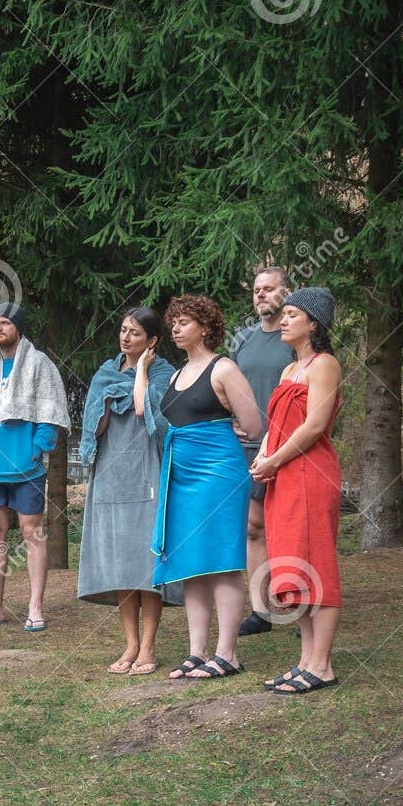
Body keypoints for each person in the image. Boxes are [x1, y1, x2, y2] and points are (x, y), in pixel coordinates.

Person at [152, 295, 264, 681]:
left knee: (222, 560)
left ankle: (227, 653)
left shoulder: (224, 368)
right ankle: (197, 652)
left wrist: (229, 428)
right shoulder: (173, 375)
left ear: (205, 326)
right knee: (191, 564)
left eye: (184, 322)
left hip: (218, 473)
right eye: (174, 322)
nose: (176, 328)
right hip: (180, 476)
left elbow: (254, 425)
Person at [77, 307, 182, 675]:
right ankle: (130, 644)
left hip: (147, 470)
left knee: (145, 561)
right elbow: (96, 426)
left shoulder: (165, 374)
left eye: (135, 333)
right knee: (121, 560)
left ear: (152, 341)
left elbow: (147, 413)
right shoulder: (105, 374)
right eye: (123, 330)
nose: (125, 338)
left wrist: (140, 372)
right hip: (110, 472)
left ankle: (149, 646)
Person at [250, 289, 344, 694]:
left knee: (316, 561)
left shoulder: (325, 365)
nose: (283, 320)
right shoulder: (289, 370)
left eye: (292, 314)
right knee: (293, 565)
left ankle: (322, 665)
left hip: (309, 472)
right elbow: (275, 425)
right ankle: (306, 660)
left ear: (314, 324)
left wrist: (275, 460)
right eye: (283, 313)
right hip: (282, 474)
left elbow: (313, 427)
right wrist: (262, 455)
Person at [0, 302, 68, 633]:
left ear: (18, 327)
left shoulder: (39, 363)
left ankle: (35, 605)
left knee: (32, 533)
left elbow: (51, 409)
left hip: (24, 462)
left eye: (5, 323)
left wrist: (38, 447)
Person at [228, 266, 296, 636]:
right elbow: (224, 386)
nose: (261, 295)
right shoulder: (242, 340)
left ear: (286, 293)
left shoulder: (295, 337)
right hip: (247, 449)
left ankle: (301, 607)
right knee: (254, 529)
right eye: (257, 290)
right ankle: (261, 611)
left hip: (290, 448)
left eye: (269, 289)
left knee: (292, 527)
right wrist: (229, 419)